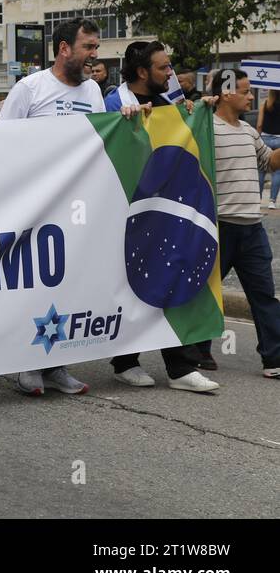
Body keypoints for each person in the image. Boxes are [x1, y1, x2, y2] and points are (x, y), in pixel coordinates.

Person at [0, 18, 119, 397]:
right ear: (64, 48)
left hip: (77, 210)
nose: (94, 56)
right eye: (88, 47)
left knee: (68, 288)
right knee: (35, 286)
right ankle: (25, 365)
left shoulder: (94, 94)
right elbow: (0, 147)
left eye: (96, 48)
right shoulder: (29, 89)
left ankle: (57, 366)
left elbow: (100, 144)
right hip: (35, 210)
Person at [96, 41, 215, 390]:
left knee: (170, 278)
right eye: (164, 68)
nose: (171, 74)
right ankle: (125, 361)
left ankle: (180, 368)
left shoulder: (173, 104)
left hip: (164, 213)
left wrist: (198, 114)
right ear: (144, 72)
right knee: (130, 286)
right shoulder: (116, 103)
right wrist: (124, 123)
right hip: (129, 211)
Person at [196, 69, 280, 380]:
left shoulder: (248, 130)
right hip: (219, 228)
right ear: (227, 93)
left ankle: (274, 358)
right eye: (245, 91)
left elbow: (269, 162)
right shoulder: (205, 128)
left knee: (264, 295)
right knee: (207, 294)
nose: (250, 97)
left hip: (253, 229)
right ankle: (197, 352)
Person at [103, 41, 174, 113]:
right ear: (142, 72)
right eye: (163, 68)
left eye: (169, 66)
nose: (170, 72)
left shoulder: (170, 99)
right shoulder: (113, 106)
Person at [259, 90, 280, 209]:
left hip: (265, 138)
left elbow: (259, 124)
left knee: (261, 170)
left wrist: (258, 137)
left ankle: (258, 199)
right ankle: (272, 201)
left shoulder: (264, 104)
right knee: (277, 172)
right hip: (279, 139)